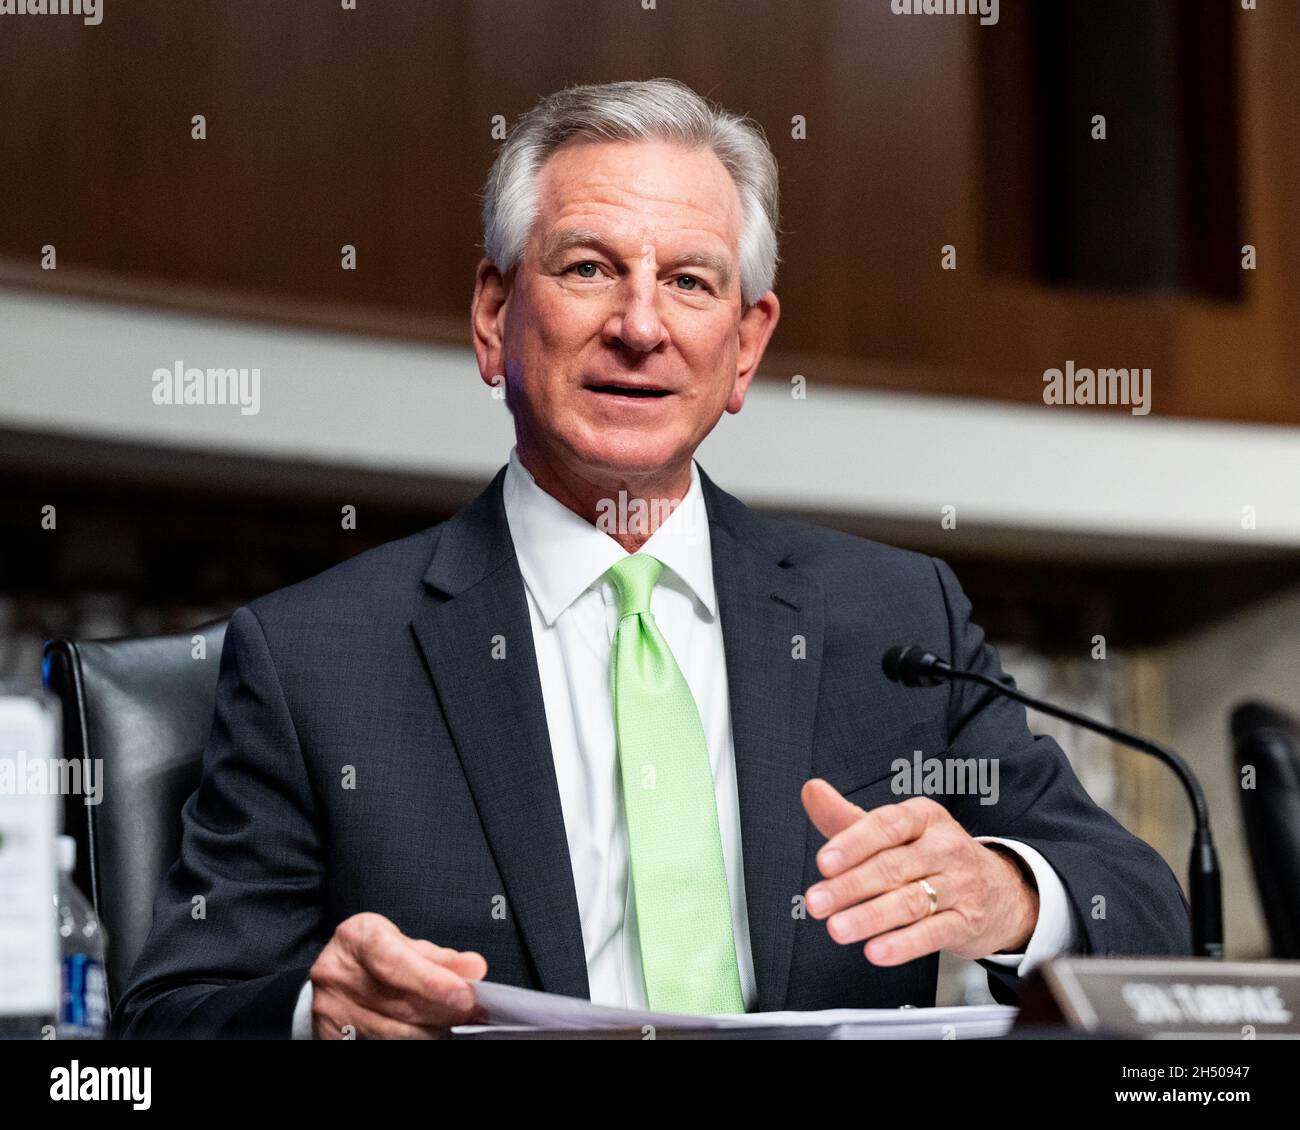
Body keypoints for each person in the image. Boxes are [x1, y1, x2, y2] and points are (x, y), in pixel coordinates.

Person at [115, 78, 1190, 1039]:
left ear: (746, 344)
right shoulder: (315, 657)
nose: (641, 325)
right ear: (494, 316)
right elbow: (165, 1023)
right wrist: (321, 1010)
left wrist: (1007, 892)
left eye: (688, 281)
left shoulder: (893, 619)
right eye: (588, 267)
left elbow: (1144, 914)